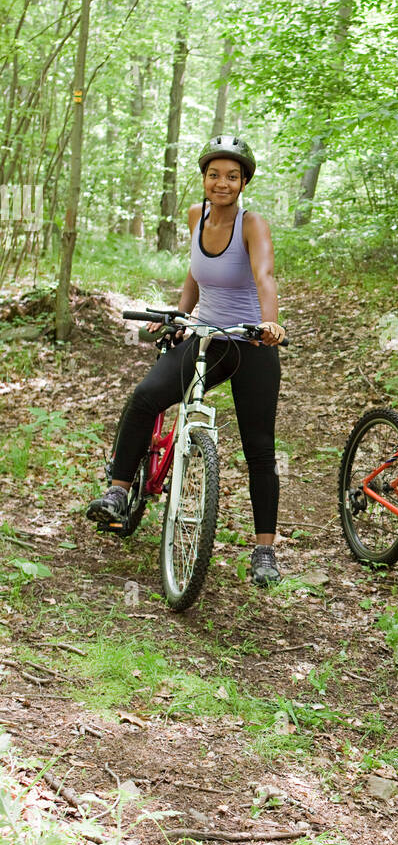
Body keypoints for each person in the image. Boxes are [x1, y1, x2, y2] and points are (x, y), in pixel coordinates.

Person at [86, 136, 286, 587]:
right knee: (145, 397)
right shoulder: (196, 217)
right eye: (215, 174)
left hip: (250, 342)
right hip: (205, 337)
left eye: (232, 176)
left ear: (244, 182)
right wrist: (181, 313)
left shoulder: (253, 225)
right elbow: (196, 272)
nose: (222, 182)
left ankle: (265, 551)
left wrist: (269, 325)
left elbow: (265, 276)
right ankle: (118, 492)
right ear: (204, 179)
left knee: (260, 447)